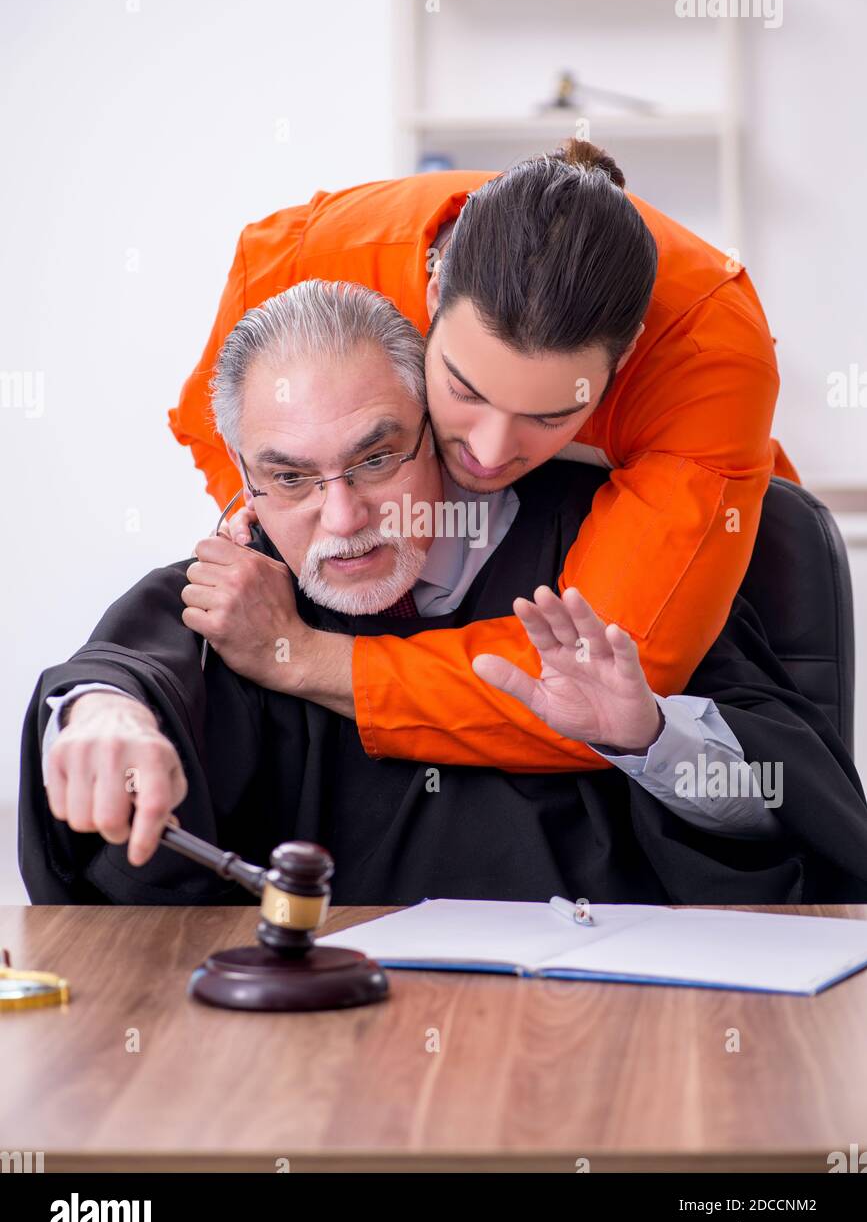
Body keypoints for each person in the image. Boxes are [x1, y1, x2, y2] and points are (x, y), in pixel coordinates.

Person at [19, 283, 867, 907]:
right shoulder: (246, 588)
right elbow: (125, 671)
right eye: (290, 476)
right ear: (245, 481)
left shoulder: (612, 559)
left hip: (605, 1043)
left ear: (438, 430)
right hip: (322, 1063)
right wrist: (102, 716)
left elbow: (786, 804)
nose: (341, 519)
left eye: (377, 458)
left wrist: (651, 738)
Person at [168, 140, 798, 775]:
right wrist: (260, 509)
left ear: (628, 356)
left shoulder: (709, 357)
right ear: (433, 291)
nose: (489, 454)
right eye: (464, 391)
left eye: (549, 414)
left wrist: (301, 658)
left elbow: (592, 680)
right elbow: (216, 422)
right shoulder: (309, 263)